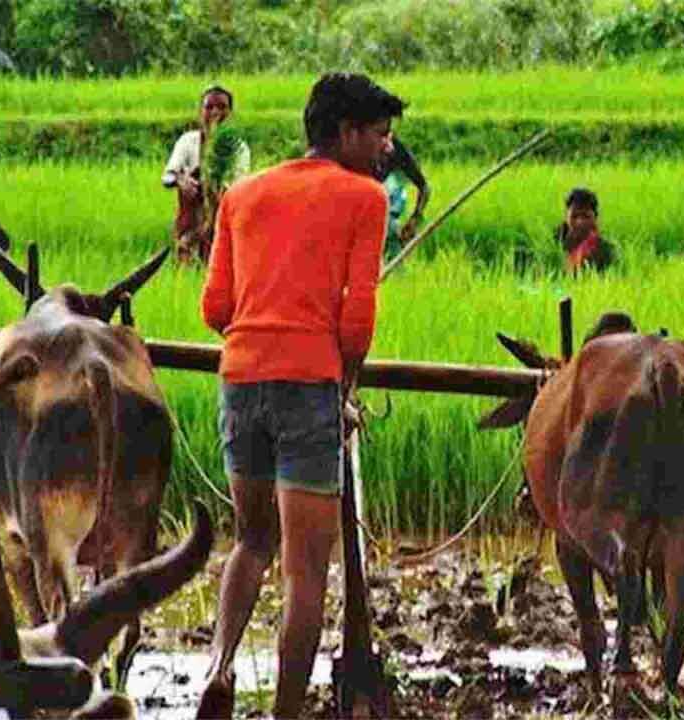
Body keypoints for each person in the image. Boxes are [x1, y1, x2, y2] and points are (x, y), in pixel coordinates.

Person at [196, 72, 400, 720]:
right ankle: (286, 712)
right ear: (344, 133)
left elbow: (215, 307)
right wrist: (345, 380)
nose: (386, 149)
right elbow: (358, 318)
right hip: (308, 385)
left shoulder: (243, 195)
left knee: (251, 542)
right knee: (305, 569)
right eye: (378, 134)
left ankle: (219, 668)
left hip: (241, 379)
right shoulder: (365, 198)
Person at [162, 85, 251, 265]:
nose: (215, 113)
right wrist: (181, 180)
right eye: (209, 107)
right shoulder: (188, 141)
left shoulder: (238, 148)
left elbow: (238, 187)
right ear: (200, 112)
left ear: (230, 113)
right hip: (189, 223)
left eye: (222, 107)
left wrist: (214, 189)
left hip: (221, 223)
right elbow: (167, 176)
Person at [372, 137, 431, 262]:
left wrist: (415, 218)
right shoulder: (353, 149)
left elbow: (424, 187)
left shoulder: (397, 149)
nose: (388, 148)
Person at [555, 187, 615, 273]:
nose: (580, 222)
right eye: (574, 216)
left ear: (596, 218)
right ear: (566, 217)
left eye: (586, 216)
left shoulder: (605, 249)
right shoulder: (554, 242)